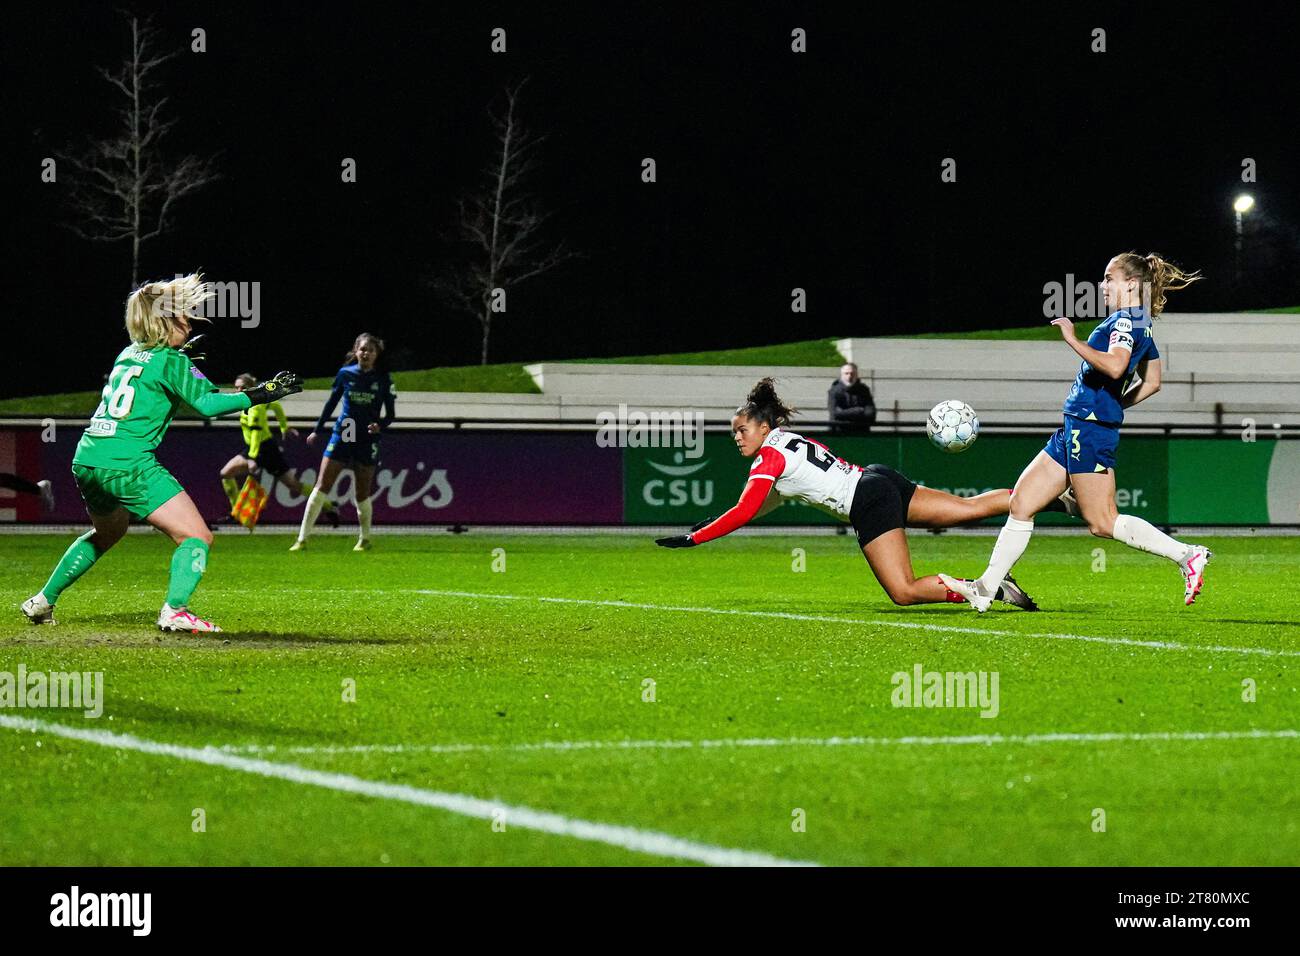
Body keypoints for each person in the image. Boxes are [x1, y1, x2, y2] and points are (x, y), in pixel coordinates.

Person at [20, 274, 302, 632]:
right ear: (165, 320)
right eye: (183, 316)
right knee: (197, 536)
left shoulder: (128, 354)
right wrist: (264, 392)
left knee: (106, 533)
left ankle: (42, 601)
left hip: (88, 458)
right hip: (128, 462)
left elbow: (153, 377)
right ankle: (176, 610)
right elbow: (208, 404)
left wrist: (182, 358)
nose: (190, 322)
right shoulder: (171, 361)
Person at [941, 252, 1210, 612]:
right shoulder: (1140, 321)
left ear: (1131, 283)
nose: (1102, 285)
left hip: (1090, 430)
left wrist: (1072, 339)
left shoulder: (1126, 321)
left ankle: (1187, 555)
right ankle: (986, 587)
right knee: (1022, 502)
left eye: (1109, 278)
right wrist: (1113, 404)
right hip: (1078, 425)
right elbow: (1153, 382)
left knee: (1102, 522)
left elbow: (1116, 366)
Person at [654, 378, 1039, 609]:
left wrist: (695, 538)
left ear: (764, 427)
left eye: (741, 430)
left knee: (904, 591)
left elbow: (744, 509)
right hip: (877, 479)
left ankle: (985, 589)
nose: (736, 438)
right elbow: (761, 505)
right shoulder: (786, 439)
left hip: (867, 501)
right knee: (967, 507)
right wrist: (714, 523)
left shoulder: (768, 458)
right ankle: (1050, 495)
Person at [292, 332, 396, 551]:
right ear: (356, 351)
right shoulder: (345, 374)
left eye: (371, 350)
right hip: (345, 433)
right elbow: (331, 403)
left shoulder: (383, 378)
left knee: (362, 493)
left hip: (367, 438)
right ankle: (302, 539)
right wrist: (317, 430)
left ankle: (364, 539)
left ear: (376, 354)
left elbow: (390, 414)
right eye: (363, 349)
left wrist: (380, 425)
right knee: (322, 485)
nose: (366, 353)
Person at [217, 372, 338, 528]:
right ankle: (328, 505)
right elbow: (276, 406)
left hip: (262, 449)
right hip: (260, 447)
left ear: (251, 387)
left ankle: (237, 514)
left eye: (243, 387)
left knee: (227, 473)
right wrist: (283, 427)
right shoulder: (256, 401)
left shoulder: (254, 407)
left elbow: (256, 432)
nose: (239, 390)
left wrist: (252, 458)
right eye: (237, 388)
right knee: (292, 484)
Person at [827, 362, 876, 434]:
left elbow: (871, 414)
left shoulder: (864, 390)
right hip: (839, 433)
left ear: (856, 375)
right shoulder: (834, 391)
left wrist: (845, 414)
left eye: (852, 374)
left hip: (860, 434)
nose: (849, 376)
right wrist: (859, 410)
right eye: (846, 373)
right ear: (841, 375)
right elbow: (835, 413)